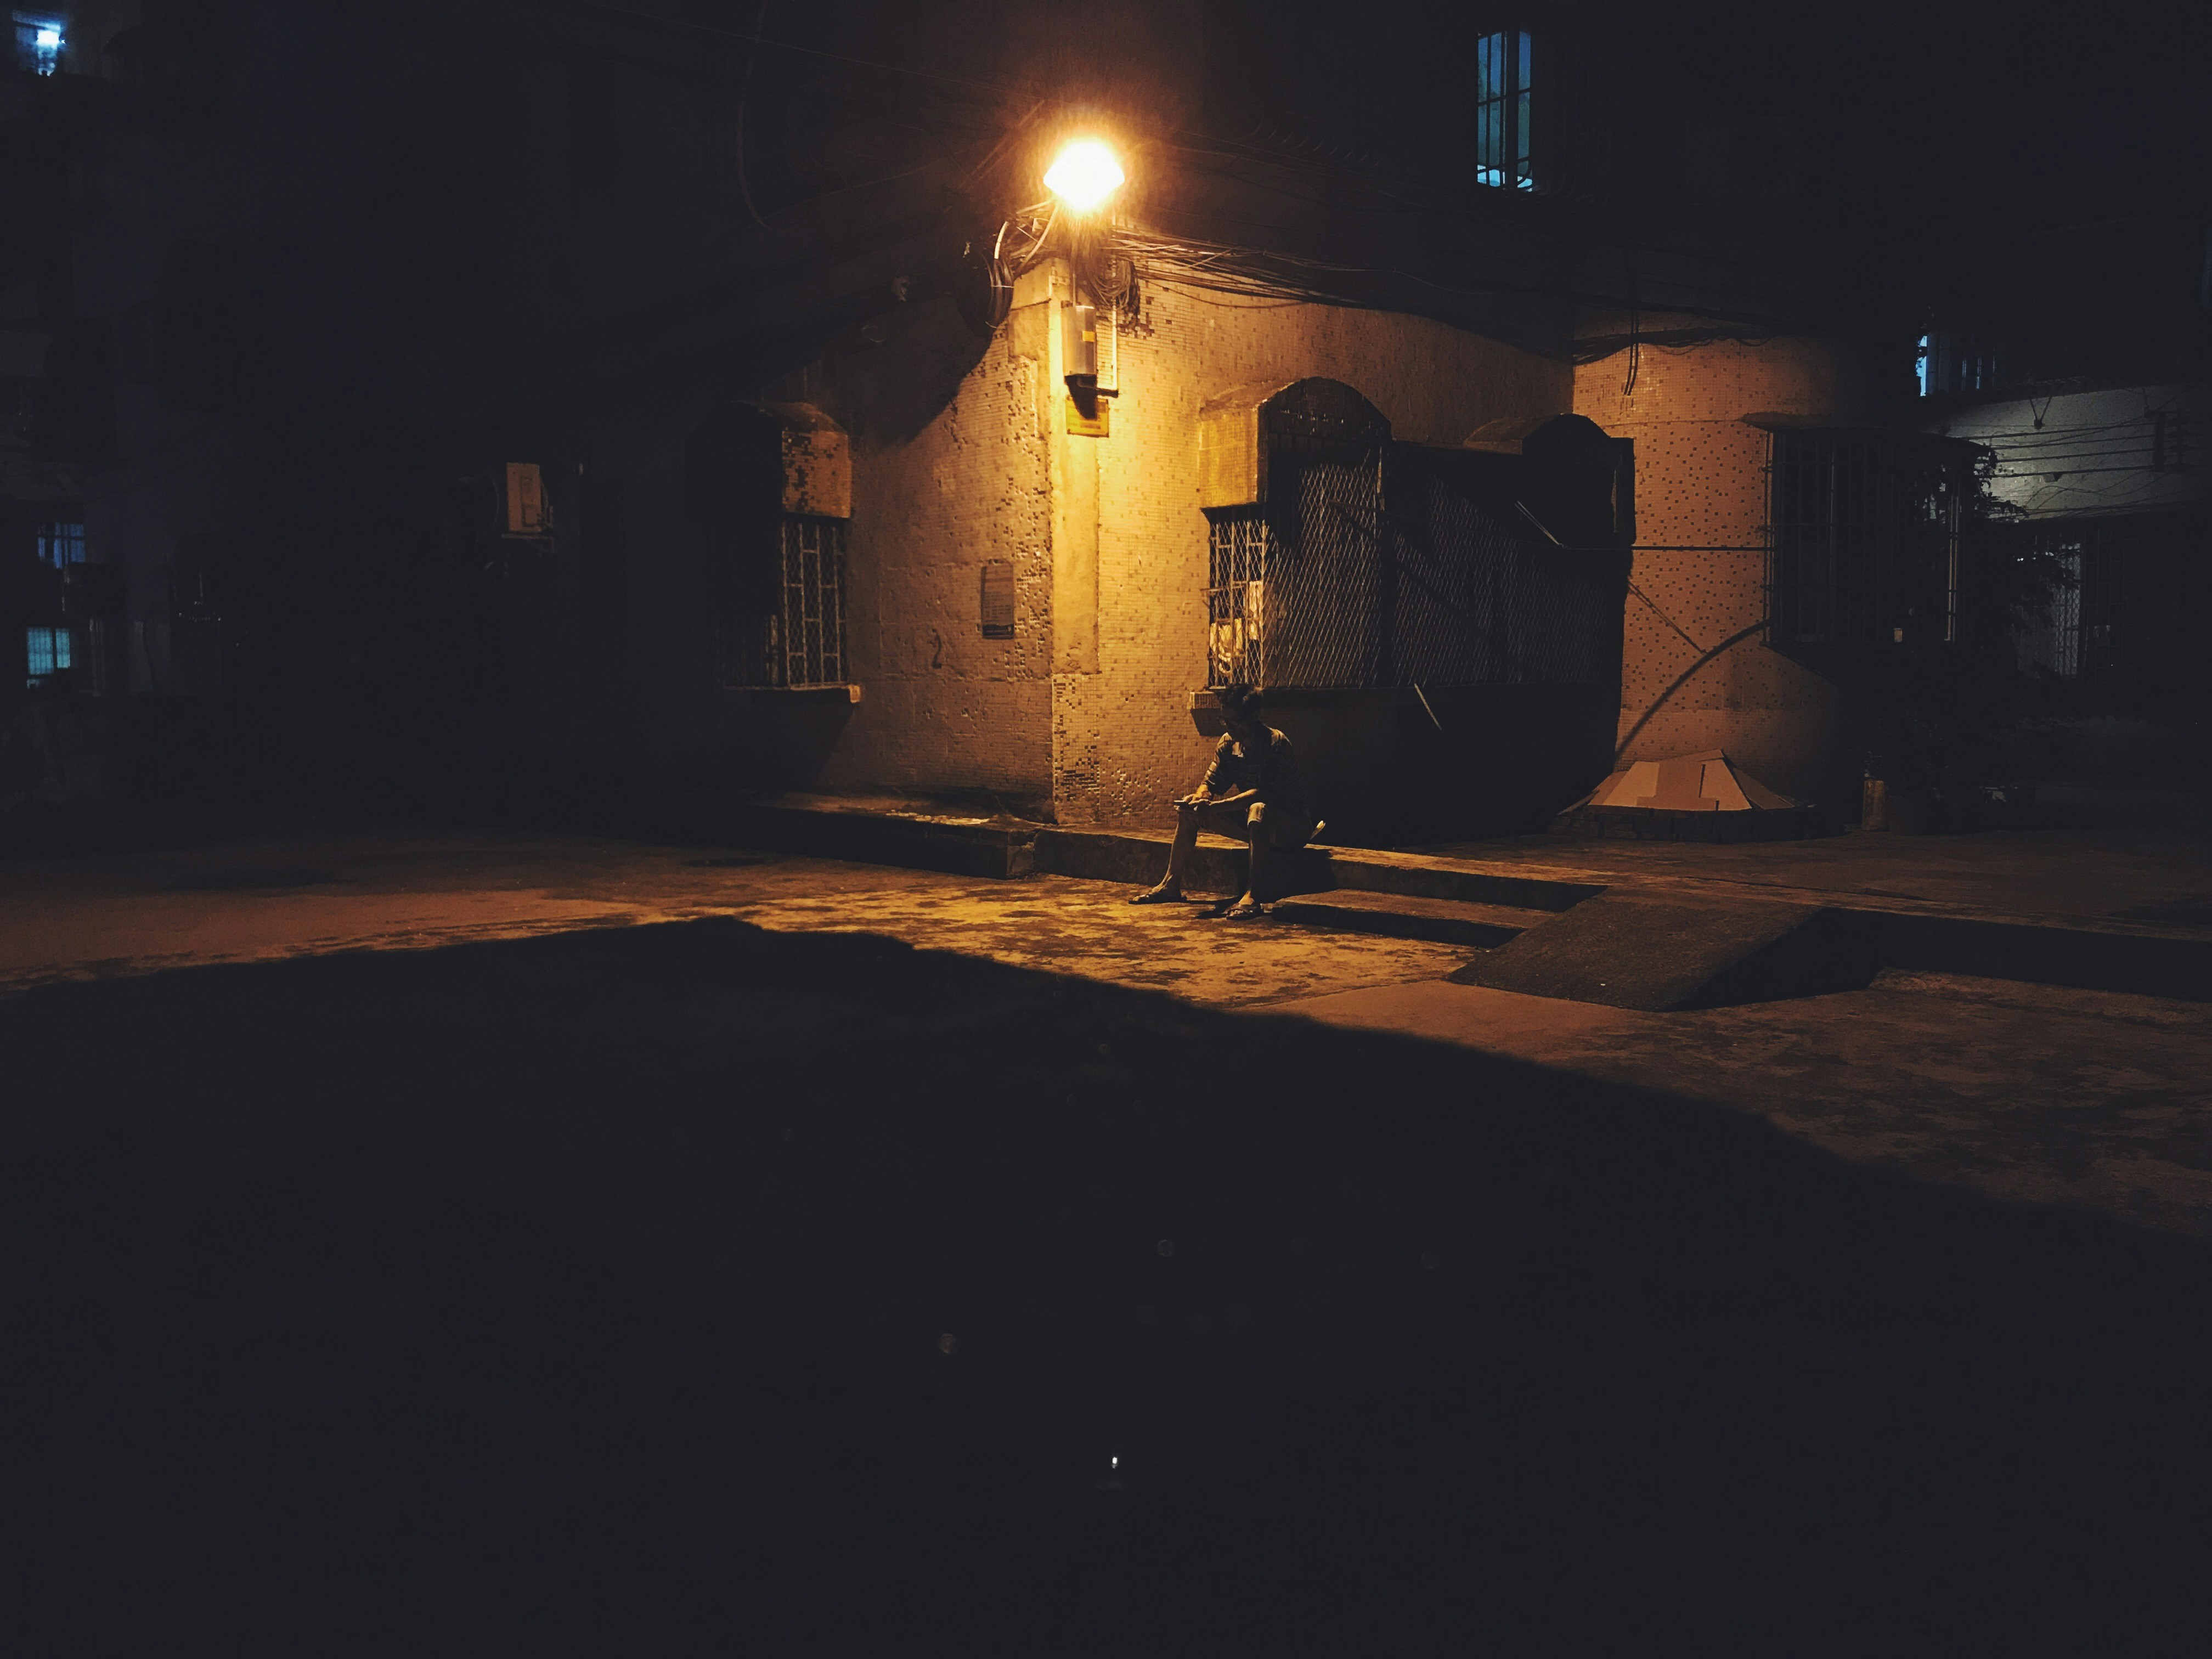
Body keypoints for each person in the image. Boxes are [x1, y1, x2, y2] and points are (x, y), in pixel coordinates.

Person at [1128, 685, 1319, 919]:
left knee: (1258, 810)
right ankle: (1170, 885)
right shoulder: (1230, 744)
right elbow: (1211, 782)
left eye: (1235, 721)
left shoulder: (1275, 744)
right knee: (1189, 812)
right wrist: (1201, 798)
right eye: (1224, 720)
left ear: (1255, 717)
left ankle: (1253, 895)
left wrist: (1216, 807)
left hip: (1291, 827)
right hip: (1255, 825)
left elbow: (1262, 795)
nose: (1229, 727)